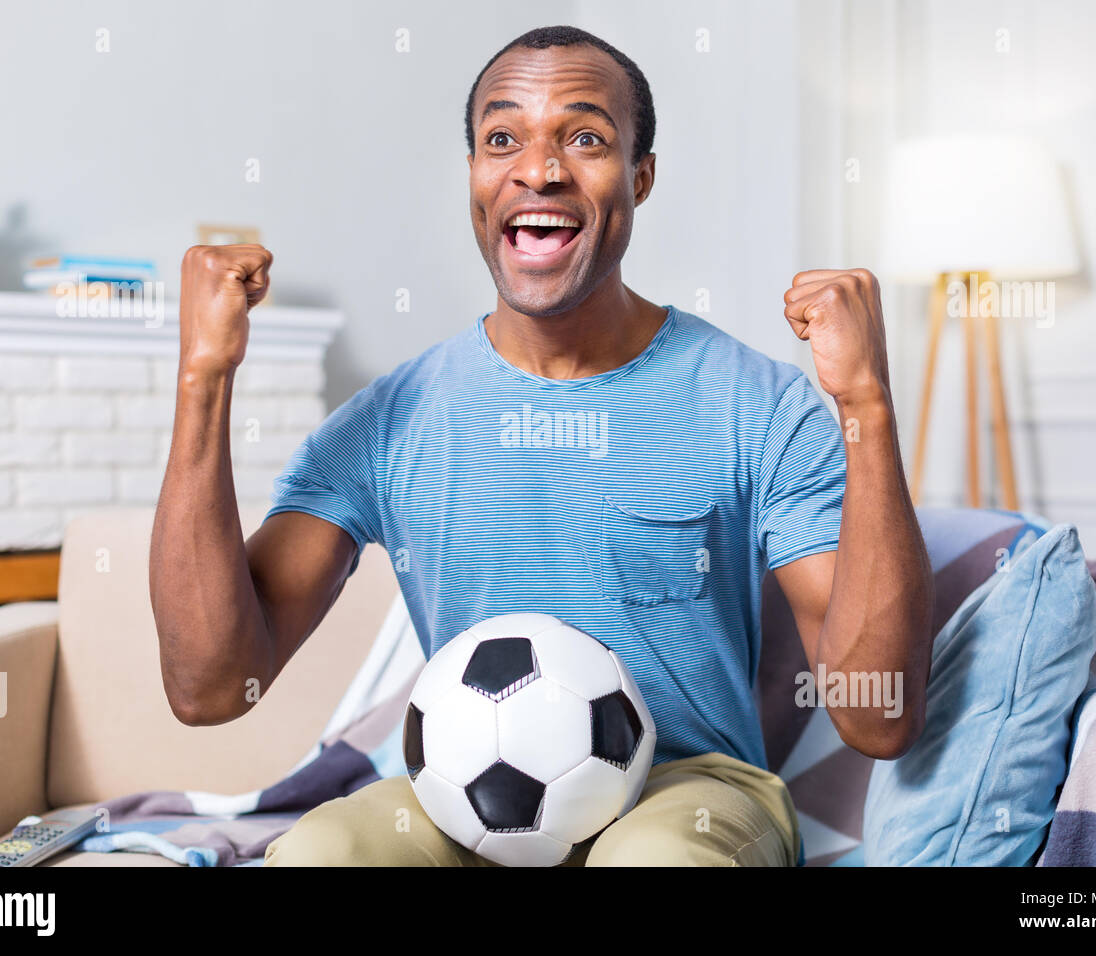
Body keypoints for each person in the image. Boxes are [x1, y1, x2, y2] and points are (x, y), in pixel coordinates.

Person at [150, 24, 934, 867]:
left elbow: (877, 717)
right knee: (321, 854)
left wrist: (868, 405)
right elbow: (210, 688)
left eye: (586, 137)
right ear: (476, 181)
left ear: (641, 176)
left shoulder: (758, 404)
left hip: (690, 794)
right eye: (501, 139)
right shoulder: (390, 419)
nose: (539, 168)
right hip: (464, 798)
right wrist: (203, 379)